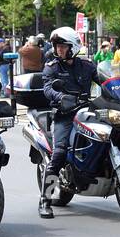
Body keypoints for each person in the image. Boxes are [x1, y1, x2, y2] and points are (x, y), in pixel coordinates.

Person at [38, 27, 100, 219]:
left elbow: (104, 81)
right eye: (57, 46)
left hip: (87, 112)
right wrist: (61, 97)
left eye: (63, 46)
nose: (59, 50)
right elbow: (47, 88)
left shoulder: (87, 66)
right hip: (64, 115)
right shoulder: (52, 67)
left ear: (73, 47)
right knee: (59, 152)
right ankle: (45, 200)